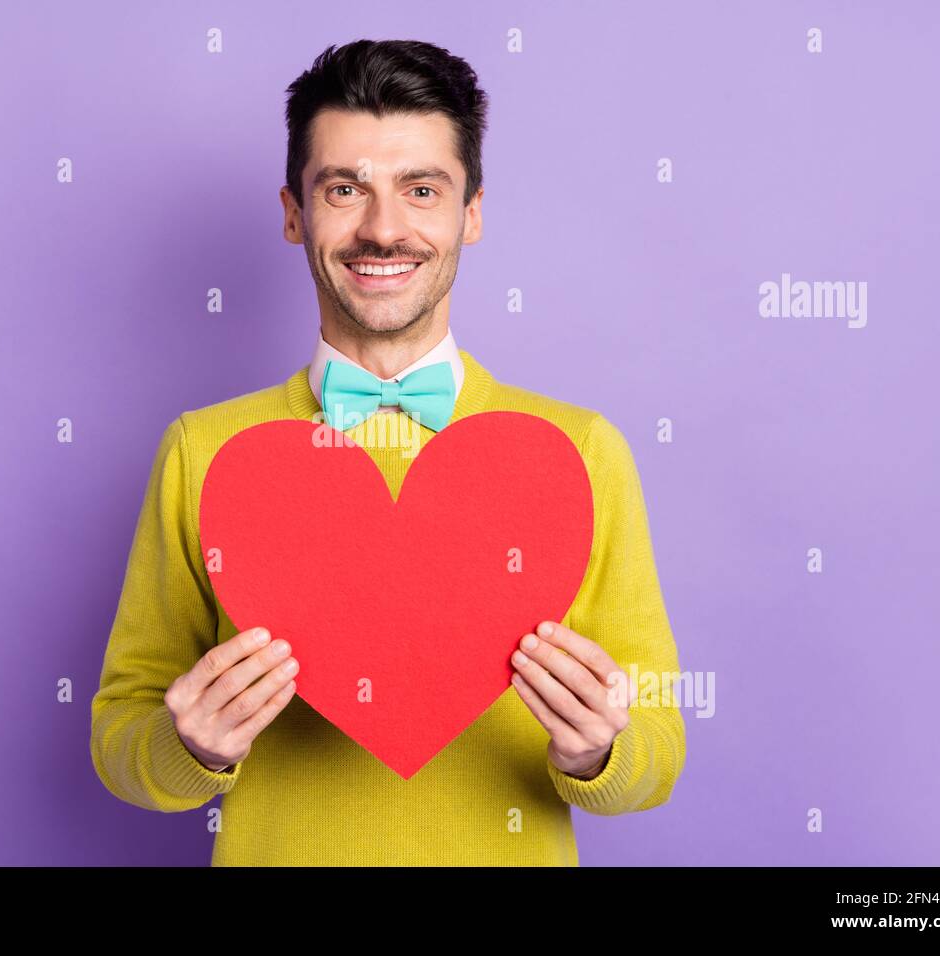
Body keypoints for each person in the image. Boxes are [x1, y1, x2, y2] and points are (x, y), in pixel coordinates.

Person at [90, 38, 686, 866]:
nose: (383, 229)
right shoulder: (204, 449)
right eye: (344, 189)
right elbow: (121, 734)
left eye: (421, 190)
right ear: (295, 212)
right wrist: (192, 749)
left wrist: (598, 753)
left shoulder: (580, 450)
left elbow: (658, 742)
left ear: (470, 214)